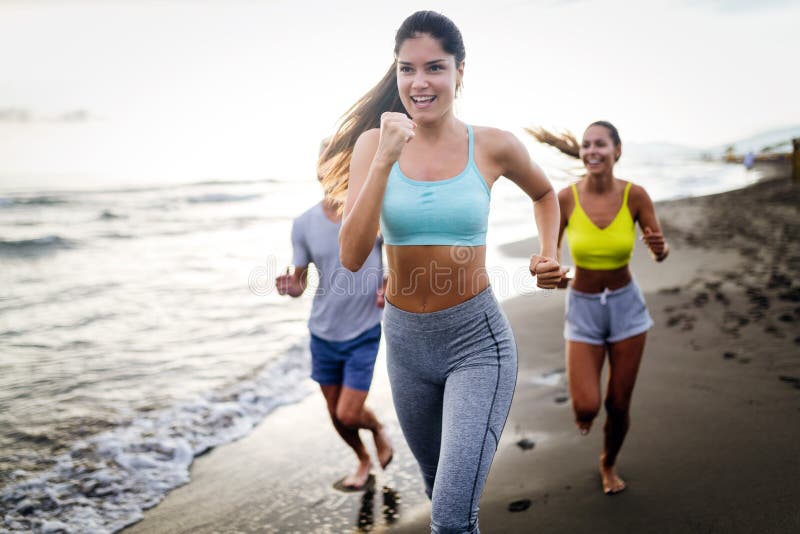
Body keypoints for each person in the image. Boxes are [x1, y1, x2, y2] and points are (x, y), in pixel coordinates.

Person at [319, 11, 564, 533]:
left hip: (477, 343)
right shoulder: (371, 147)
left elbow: (545, 194)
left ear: (459, 72)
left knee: (450, 519)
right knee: (439, 494)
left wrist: (549, 252)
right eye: (407, 69)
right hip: (406, 346)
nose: (419, 82)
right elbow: (352, 254)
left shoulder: (493, 144)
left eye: (434, 67)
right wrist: (385, 158)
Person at [531, 121, 669, 494]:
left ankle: (608, 462)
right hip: (584, 308)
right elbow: (552, 257)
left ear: (617, 151)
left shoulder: (636, 196)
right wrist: (551, 273)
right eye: (587, 145)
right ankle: (586, 415)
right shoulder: (565, 198)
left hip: (627, 309)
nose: (592, 150)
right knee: (587, 407)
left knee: (619, 404)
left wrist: (660, 250)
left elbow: (659, 250)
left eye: (600, 145)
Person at [275, 141, 393, 492]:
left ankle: (378, 430)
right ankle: (363, 458)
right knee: (335, 413)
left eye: (342, 165)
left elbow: (399, 259)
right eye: (327, 165)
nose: (334, 173)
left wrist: (390, 283)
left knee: (348, 412)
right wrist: (289, 286)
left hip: (365, 329)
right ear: (319, 171)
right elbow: (299, 282)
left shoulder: (373, 214)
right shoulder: (304, 224)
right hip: (323, 333)